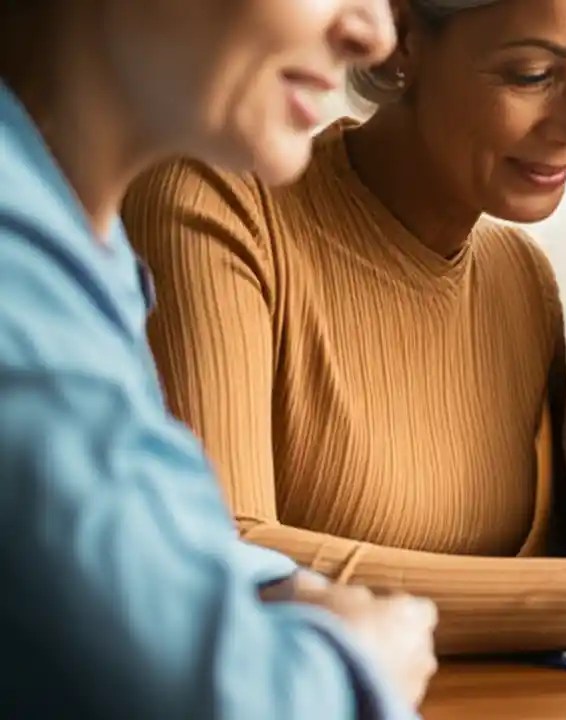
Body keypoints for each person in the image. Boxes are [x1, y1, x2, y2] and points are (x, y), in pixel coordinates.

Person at [121, 0, 566, 656]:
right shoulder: (215, 206)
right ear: (403, 37)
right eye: (531, 75)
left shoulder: (522, 280)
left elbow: (558, 559)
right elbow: (225, 551)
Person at [0, 1, 443, 718]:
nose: (375, 35)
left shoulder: (78, 252)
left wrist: (264, 583)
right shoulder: (18, 271)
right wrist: (357, 663)